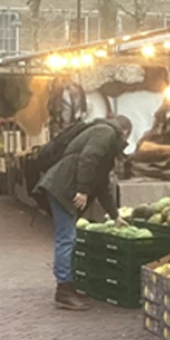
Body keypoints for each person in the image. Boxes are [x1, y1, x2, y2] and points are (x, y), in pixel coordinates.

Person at [36, 116, 133, 311]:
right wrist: (82, 189)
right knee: (66, 238)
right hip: (63, 187)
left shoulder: (104, 136)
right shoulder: (105, 132)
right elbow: (89, 158)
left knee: (68, 237)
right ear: (125, 131)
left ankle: (68, 285)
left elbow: (102, 184)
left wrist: (115, 216)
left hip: (64, 185)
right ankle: (64, 290)